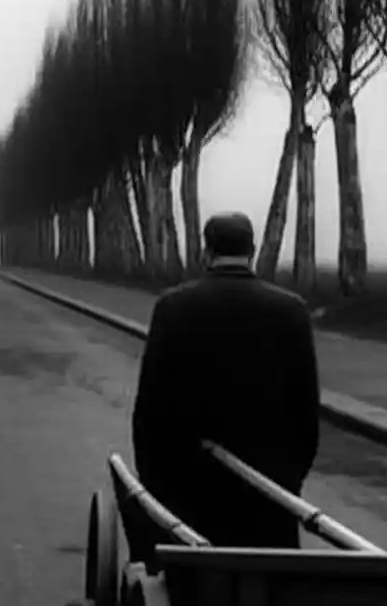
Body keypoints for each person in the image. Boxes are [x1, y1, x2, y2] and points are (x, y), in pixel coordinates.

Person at [130, 211, 319, 549]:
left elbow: (151, 406)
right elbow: (305, 408)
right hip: (268, 491)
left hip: (189, 487)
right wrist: (289, 478)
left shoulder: (172, 306)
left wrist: (155, 480)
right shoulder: (291, 310)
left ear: (207, 251)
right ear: (252, 250)